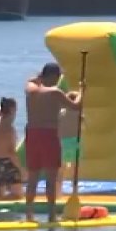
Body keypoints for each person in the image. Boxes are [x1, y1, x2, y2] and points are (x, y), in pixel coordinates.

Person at [24, 63, 82, 222]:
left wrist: (40, 76)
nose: (58, 81)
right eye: (57, 77)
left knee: (33, 177)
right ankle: (51, 215)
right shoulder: (55, 92)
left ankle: (29, 214)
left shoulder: (30, 89)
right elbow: (76, 106)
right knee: (51, 177)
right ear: (53, 77)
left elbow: (32, 80)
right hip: (48, 134)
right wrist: (82, 91)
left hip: (32, 134)